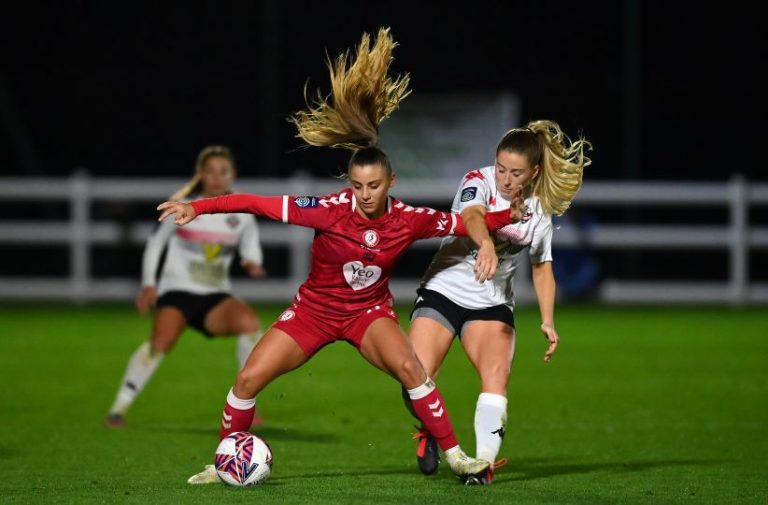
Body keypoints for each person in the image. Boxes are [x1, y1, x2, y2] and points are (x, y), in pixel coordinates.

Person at [159, 28, 525, 485]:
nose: (364, 195)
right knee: (248, 378)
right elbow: (255, 202)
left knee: (412, 369)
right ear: (348, 183)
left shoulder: (408, 219)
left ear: (389, 183)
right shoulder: (327, 211)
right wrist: (198, 207)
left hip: (368, 314)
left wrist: (506, 212)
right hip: (313, 312)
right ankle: (222, 463)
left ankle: (456, 456)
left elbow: (465, 221)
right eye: (356, 186)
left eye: (373, 186)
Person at [405, 120, 592, 484]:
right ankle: (430, 430)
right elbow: (472, 216)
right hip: (444, 289)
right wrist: (487, 243)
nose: (506, 179)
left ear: (534, 172)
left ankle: (483, 466)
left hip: (491, 304)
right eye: (502, 168)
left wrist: (548, 320)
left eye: (516, 173)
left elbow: (541, 268)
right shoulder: (477, 180)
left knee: (496, 378)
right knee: (414, 377)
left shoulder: (539, 210)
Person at [105, 145, 267, 428]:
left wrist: (253, 262)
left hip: (215, 296)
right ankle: (120, 407)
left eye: (223, 171)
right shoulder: (182, 204)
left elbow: (251, 248)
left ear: (232, 175)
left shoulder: (241, 214)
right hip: (178, 291)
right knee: (160, 343)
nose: (217, 177)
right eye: (211, 171)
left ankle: (244, 402)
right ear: (200, 174)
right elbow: (156, 244)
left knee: (250, 323)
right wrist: (148, 284)